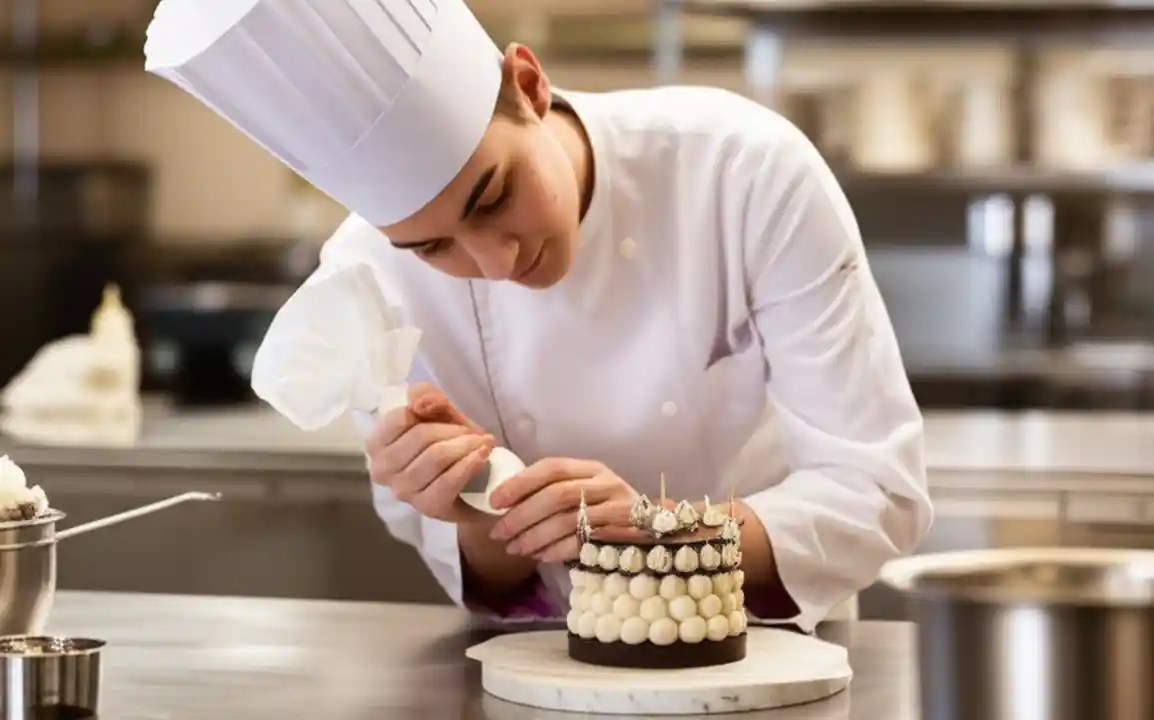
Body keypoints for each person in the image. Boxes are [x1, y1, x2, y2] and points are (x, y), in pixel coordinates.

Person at [145, 0, 932, 632]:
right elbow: (490, 578)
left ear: (529, 85)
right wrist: (471, 510)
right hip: (534, 670)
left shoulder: (745, 173)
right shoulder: (366, 282)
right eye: (432, 247)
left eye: (492, 197)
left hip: (771, 657)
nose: (495, 262)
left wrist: (670, 534)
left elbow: (875, 490)